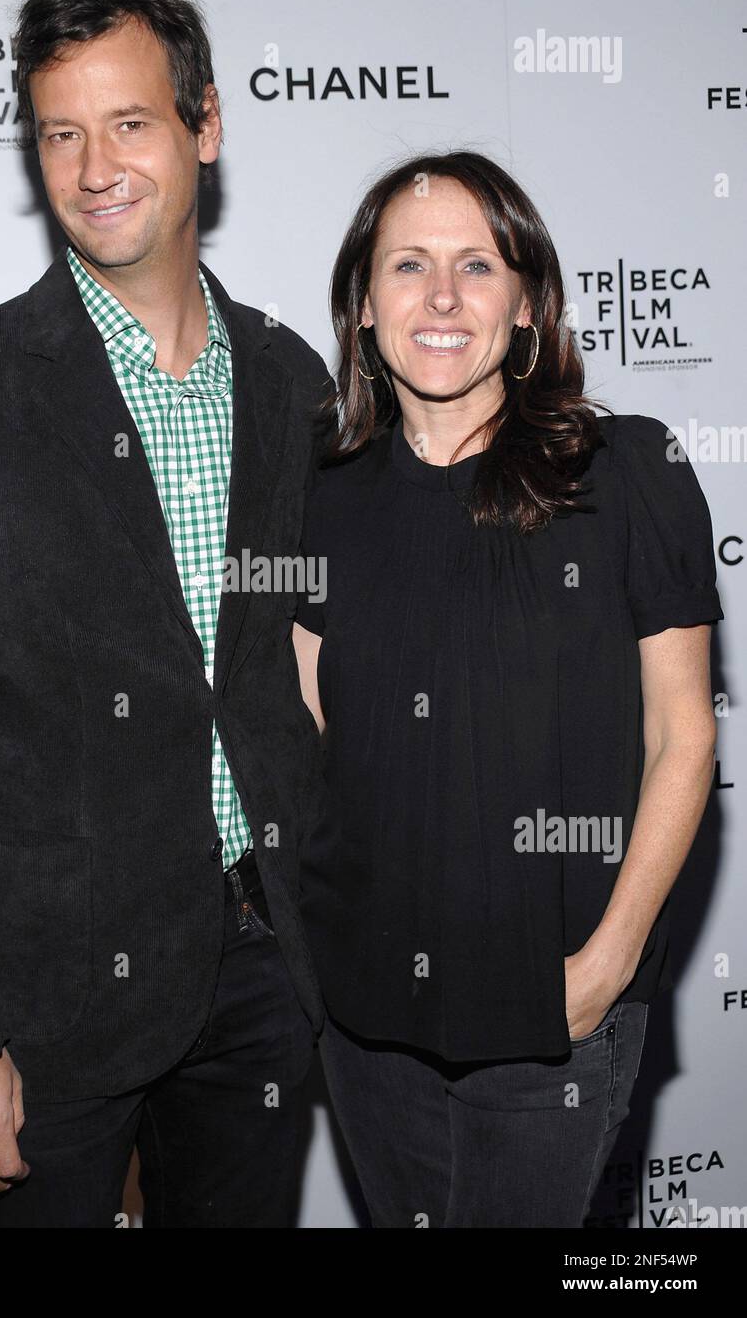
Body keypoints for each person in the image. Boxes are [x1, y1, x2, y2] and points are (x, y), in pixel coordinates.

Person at [0, 0, 332, 1229]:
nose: (95, 166)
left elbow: (310, 675)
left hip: (265, 973)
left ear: (205, 126)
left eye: (129, 123)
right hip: (39, 1001)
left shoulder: (294, 386)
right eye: (61, 133)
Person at [291, 150, 723, 1228]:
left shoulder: (630, 472)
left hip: (556, 1006)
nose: (441, 298)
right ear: (363, 305)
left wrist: (610, 961)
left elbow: (684, 738)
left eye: (477, 265)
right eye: (408, 265)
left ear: (525, 302)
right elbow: (309, 733)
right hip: (365, 1011)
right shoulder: (319, 495)